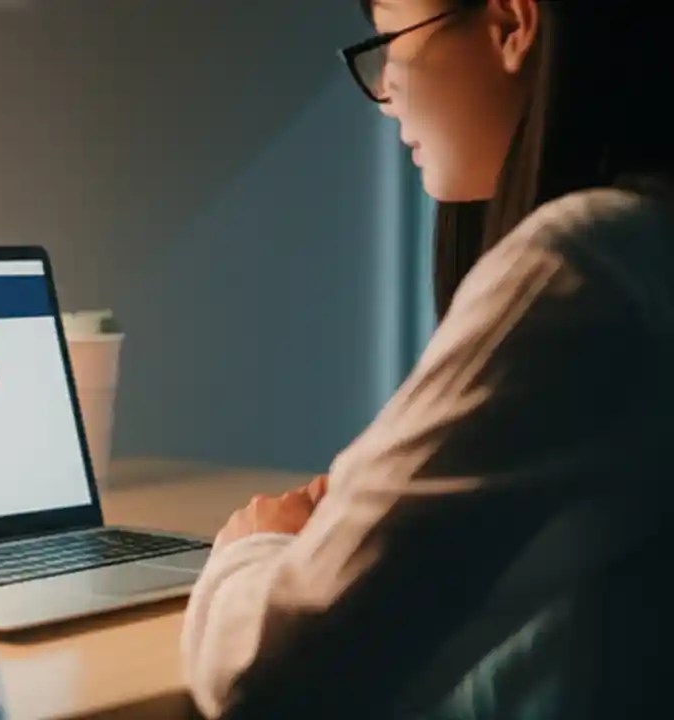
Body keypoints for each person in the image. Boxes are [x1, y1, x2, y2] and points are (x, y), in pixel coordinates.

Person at [181, 1, 674, 718]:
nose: (386, 98)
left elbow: (272, 678)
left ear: (511, 24)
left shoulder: (585, 269)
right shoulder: (645, 245)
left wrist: (251, 552)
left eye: (392, 41)